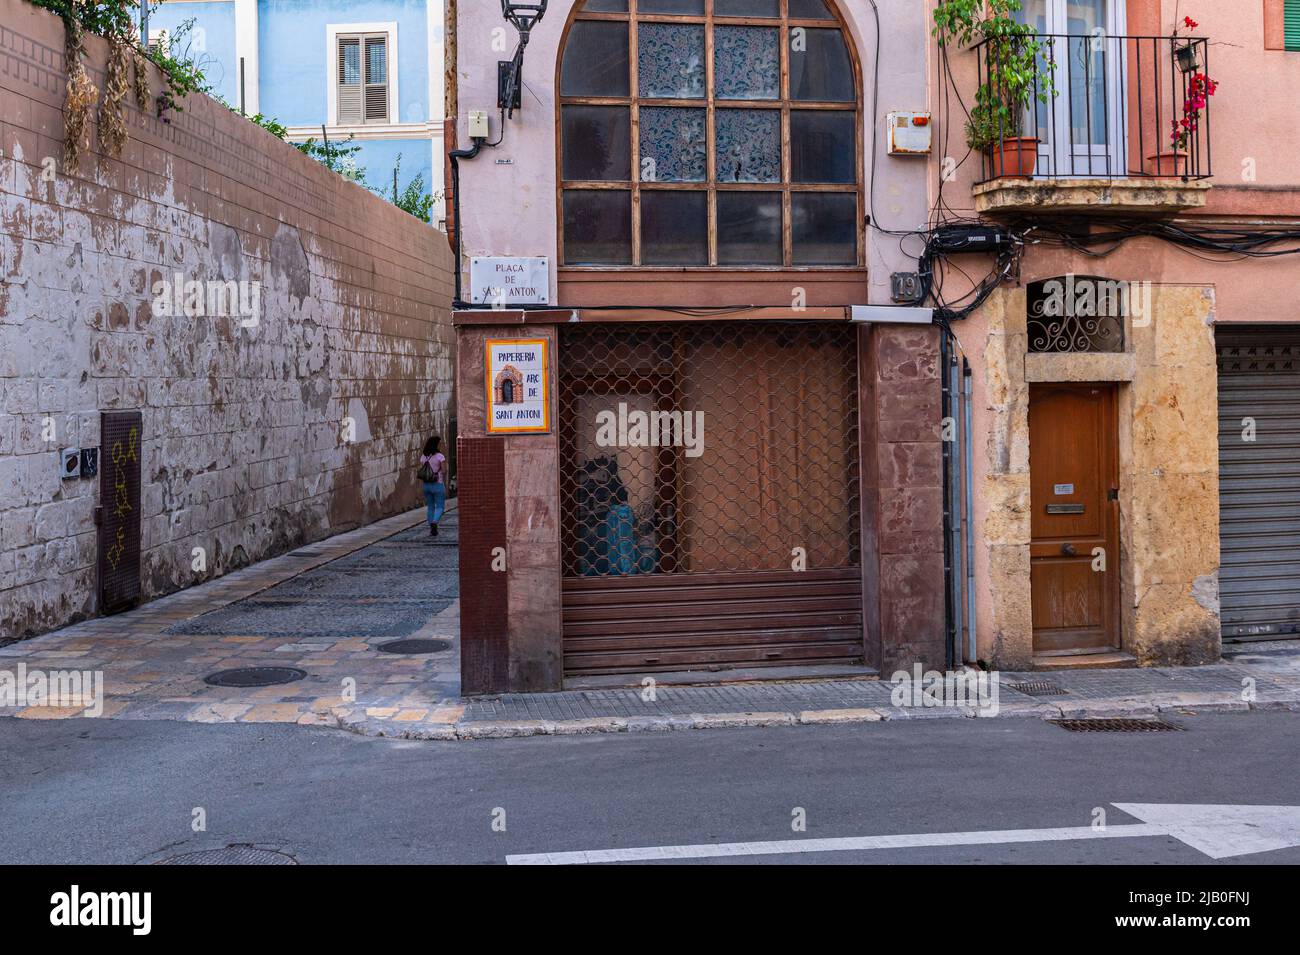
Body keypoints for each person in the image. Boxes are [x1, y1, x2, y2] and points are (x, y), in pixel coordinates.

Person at [418, 435, 448, 537]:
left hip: (426, 485)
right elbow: (444, 471)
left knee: (430, 507)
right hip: (437, 484)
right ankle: (435, 522)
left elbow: (423, 467)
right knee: (440, 506)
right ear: (436, 444)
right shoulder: (440, 456)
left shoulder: (424, 456)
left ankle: (431, 528)